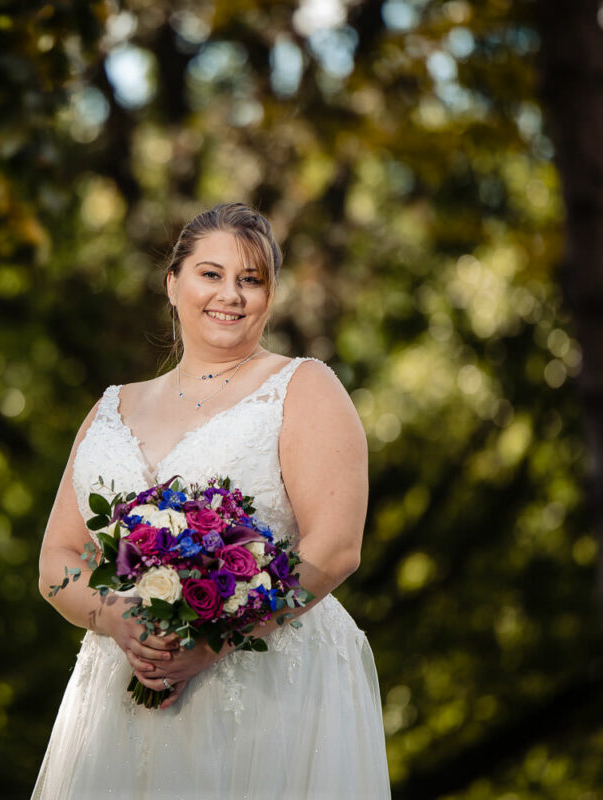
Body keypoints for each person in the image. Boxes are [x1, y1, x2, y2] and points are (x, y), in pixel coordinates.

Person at [32, 202, 391, 798]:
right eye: (211, 273)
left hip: (265, 691)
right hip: (121, 695)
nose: (231, 294)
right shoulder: (111, 407)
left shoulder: (302, 387)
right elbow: (57, 558)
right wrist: (116, 619)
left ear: (269, 297)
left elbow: (336, 547)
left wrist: (214, 640)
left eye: (251, 280)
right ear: (172, 284)